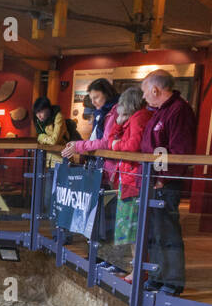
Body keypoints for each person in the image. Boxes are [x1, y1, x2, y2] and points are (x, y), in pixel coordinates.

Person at [62, 87, 152, 272]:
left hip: (132, 177)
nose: (94, 101)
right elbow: (112, 138)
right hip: (123, 176)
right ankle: (119, 263)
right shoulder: (123, 117)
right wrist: (118, 125)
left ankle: (131, 269)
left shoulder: (138, 117)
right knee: (120, 225)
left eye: (96, 96)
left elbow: (129, 144)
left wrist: (113, 143)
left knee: (128, 227)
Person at [137, 69, 196, 295]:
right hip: (152, 181)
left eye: (145, 92)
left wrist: (163, 179)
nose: (143, 97)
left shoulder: (179, 111)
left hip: (164, 184)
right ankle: (156, 276)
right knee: (154, 232)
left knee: (168, 232)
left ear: (155, 89)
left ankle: (172, 281)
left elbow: (180, 151)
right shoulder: (161, 111)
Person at [33, 96, 72, 168]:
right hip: (48, 160)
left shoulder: (58, 116)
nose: (39, 115)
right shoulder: (39, 122)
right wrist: (42, 137)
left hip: (61, 159)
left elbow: (54, 141)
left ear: (48, 109)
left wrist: (41, 137)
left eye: (41, 111)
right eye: (36, 113)